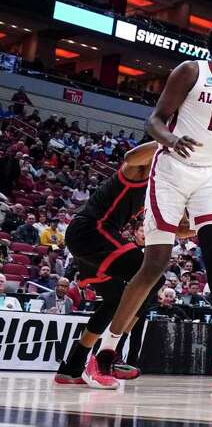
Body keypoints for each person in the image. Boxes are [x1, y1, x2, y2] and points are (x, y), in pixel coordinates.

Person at [85, 20, 212, 394]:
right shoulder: (191, 71)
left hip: (211, 175)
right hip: (169, 171)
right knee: (154, 264)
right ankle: (104, 353)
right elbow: (155, 120)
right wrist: (170, 138)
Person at [54, 142, 175, 385]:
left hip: (88, 238)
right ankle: (110, 355)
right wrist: (170, 138)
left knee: (114, 301)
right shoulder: (139, 170)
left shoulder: (159, 188)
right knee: (152, 276)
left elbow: (178, 228)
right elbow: (131, 156)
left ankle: (71, 367)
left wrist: (205, 226)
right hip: (92, 229)